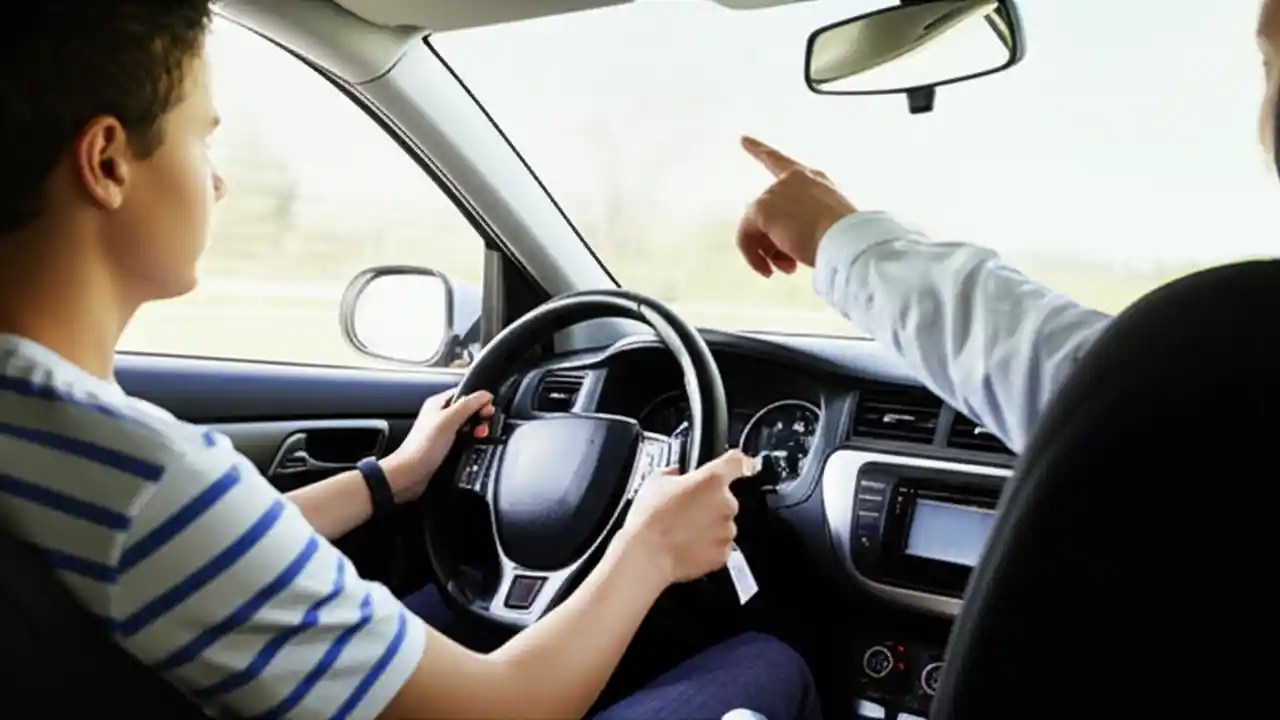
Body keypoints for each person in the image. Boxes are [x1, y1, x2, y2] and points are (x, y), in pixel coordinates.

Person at [0, 2, 820, 719]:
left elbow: (206, 548)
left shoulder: (68, 446)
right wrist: (651, 548)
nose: (217, 185)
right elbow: (508, 709)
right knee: (768, 665)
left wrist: (390, 478)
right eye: (199, 139)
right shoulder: (145, 476)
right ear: (107, 162)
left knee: (448, 613)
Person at [734, 0, 1280, 453]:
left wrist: (842, 240)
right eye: (1267, 62)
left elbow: (1105, 395)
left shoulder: (1226, 344)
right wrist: (840, 237)